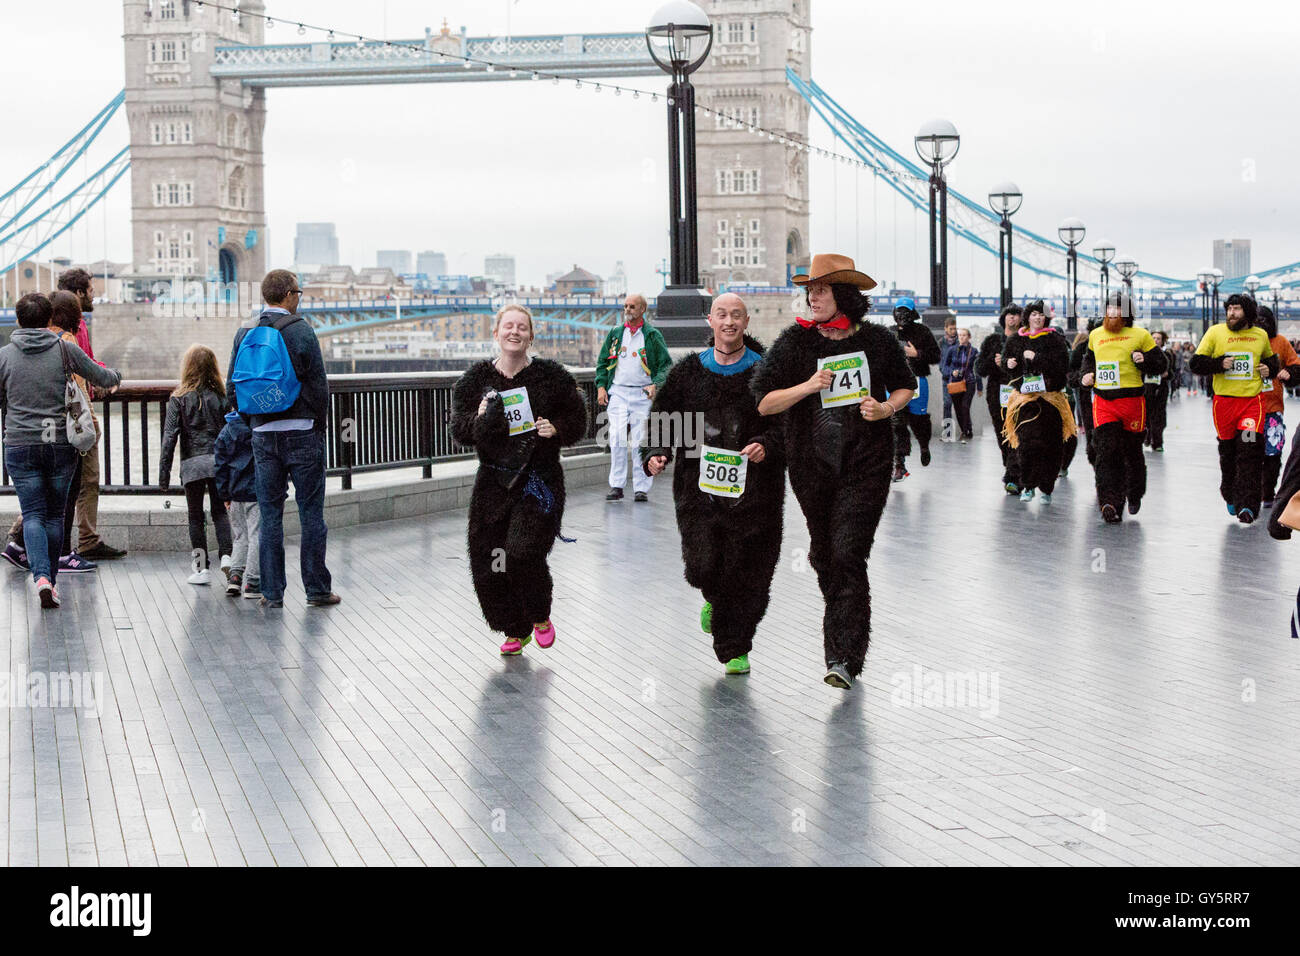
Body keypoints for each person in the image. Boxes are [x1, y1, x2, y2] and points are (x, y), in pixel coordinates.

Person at [752, 253, 915, 689]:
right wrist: (807, 385)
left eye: (821, 289)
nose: (813, 297)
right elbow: (765, 402)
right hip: (811, 465)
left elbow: (906, 386)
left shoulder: (878, 341)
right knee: (826, 554)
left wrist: (885, 408)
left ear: (843, 294)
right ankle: (843, 628)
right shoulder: (795, 343)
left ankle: (843, 655)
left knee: (847, 552)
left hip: (868, 462)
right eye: (810, 290)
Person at [641, 293, 785, 676]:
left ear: (746, 321)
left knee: (745, 570)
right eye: (722, 315)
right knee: (703, 565)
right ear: (710, 321)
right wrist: (657, 451)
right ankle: (712, 596)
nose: (729, 322)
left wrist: (767, 445)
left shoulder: (766, 371)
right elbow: (664, 417)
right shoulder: (688, 371)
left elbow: (786, 423)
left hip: (754, 493)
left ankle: (734, 646)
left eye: (736, 315)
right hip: (697, 488)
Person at [451, 304, 588, 656]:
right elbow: (459, 430)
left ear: (530, 335)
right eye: (507, 326)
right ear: (495, 333)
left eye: (521, 327)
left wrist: (557, 427)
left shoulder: (552, 377)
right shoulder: (474, 382)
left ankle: (540, 615)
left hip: (538, 482)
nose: (514, 332)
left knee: (523, 551)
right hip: (493, 483)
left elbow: (578, 419)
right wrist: (479, 418)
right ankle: (515, 627)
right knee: (489, 560)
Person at [227, 269, 340, 608]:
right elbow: (319, 387)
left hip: (263, 437)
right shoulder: (301, 330)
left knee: (270, 514)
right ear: (290, 295)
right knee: (310, 515)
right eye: (298, 294)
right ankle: (317, 590)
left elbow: (233, 387)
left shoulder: (245, 332)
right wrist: (316, 426)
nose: (299, 299)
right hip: (302, 433)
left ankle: (271, 592)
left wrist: (255, 421)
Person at [0, 293, 120, 608]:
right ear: (48, 318)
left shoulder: (4, 356)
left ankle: (41, 577)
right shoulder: (64, 350)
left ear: (18, 319)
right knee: (55, 514)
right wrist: (117, 377)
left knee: (33, 513)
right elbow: (101, 376)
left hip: (19, 445)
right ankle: (50, 581)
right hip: (59, 445)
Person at [1188, 293, 1279, 524]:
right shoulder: (1215, 332)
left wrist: (1269, 369)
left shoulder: (1259, 335)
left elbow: (1271, 361)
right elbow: (1196, 363)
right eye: (1229, 309)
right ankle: (1229, 492)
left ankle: (1248, 506)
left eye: (1237, 309)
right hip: (1224, 404)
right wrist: (1218, 364)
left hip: (1251, 404)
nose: (1231, 313)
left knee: (1249, 451)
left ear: (1247, 312)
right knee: (1228, 453)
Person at [1079, 293, 1166, 523]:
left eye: (1118, 309)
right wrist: (1086, 375)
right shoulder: (1096, 335)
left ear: (1127, 313)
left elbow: (1160, 364)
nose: (1113, 313)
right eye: (1110, 309)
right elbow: (1088, 361)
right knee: (1106, 452)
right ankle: (1109, 502)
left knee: (1131, 452)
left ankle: (1134, 493)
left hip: (1132, 401)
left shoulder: (1141, 335)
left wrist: (1144, 361)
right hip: (1104, 402)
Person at [60, 267, 126, 560]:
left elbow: (87, 363)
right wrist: (110, 377)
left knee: (84, 480)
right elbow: (80, 367)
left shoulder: (79, 325)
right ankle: (21, 535)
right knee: (68, 481)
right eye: (90, 289)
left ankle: (87, 538)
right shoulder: (68, 329)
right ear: (77, 293)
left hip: (80, 414)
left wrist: (97, 376)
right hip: (78, 417)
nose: (94, 294)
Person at [161, 344, 233, 585]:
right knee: (220, 512)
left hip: (192, 464)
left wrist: (164, 476)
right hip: (218, 463)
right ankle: (227, 557)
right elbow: (230, 434)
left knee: (195, 517)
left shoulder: (178, 399)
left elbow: (170, 438)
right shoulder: (223, 398)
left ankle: (201, 569)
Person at [594, 293, 671, 502]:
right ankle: (616, 485)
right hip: (618, 391)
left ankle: (641, 487)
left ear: (642, 309)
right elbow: (602, 363)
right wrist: (601, 387)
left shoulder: (652, 336)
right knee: (617, 436)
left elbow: (665, 365)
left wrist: (657, 384)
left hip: (642, 394)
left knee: (639, 440)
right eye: (626, 306)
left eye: (632, 306)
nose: (628, 309)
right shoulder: (615, 334)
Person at [1001, 299, 1075, 504]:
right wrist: (1009, 363)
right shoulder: (1016, 339)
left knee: (1052, 444)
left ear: (1047, 318)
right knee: (1027, 442)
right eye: (1034, 314)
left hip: (1050, 398)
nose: (1038, 318)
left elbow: (1062, 366)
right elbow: (1007, 365)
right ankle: (1027, 484)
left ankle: (1047, 488)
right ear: (1028, 317)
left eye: (1041, 315)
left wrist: (1037, 357)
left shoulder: (1055, 339)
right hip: (1025, 399)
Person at [890, 296, 941, 480]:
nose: (902, 314)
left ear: (913, 313)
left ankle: (924, 446)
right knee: (897, 423)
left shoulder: (923, 331)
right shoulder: (889, 333)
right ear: (894, 313)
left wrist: (917, 353)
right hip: (895, 383)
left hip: (918, 381)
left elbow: (936, 356)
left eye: (906, 310)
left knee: (919, 420)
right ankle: (899, 463)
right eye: (899, 310)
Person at [976, 304, 1023, 494]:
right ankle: (1011, 467)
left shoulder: (1025, 340)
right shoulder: (992, 341)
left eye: (1016, 315)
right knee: (1002, 433)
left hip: (1020, 392)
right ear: (1003, 318)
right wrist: (994, 363)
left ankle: (1013, 476)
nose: (1012, 318)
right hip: (997, 393)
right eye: (1009, 315)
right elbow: (979, 369)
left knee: (1017, 432)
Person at [1256, 306, 1300, 506]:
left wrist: (1290, 374)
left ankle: (1267, 493)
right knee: (1248, 451)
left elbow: (1295, 365)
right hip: (1249, 409)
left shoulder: (1281, 342)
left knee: (1273, 451)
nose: (1261, 323)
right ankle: (1249, 494)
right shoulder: (1246, 341)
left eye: (1265, 320)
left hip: (1273, 409)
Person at [214, 407, 260, 598]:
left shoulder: (226, 431)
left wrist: (224, 495)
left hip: (235, 493)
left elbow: (220, 466)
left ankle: (234, 578)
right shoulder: (258, 428)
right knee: (256, 534)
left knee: (240, 536)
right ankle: (253, 581)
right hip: (256, 491)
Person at [939, 326, 979, 441]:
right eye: (960, 335)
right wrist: (952, 372)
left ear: (969, 337)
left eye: (964, 335)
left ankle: (968, 430)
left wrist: (979, 386)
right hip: (955, 383)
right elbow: (944, 365)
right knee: (957, 408)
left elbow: (977, 368)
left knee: (965, 406)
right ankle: (964, 430)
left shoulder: (974, 351)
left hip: (969, 382)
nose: (961, 337)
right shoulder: (952, 350)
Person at [1143, 330, 1175, 452]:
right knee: (1146, 414)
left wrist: (1167, 374)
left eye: (1158, 339)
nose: (1156, 340)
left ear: (1162, 341)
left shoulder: (1167, 354)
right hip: (1147, 388)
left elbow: (1172, 372)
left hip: (1161, 389)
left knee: (1159, 416)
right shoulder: (1144, 353)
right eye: (1154, 338)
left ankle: (1158, 442)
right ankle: (1147, 436)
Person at [938, 316, 959, 435]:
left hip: (960, 378)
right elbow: (941, 362)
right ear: (945, 329)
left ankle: (966, 429)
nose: (953, 331)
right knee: (947, 404)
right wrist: (948, 372)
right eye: (951, 329)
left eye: (955, 329)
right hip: (947, 379)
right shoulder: (941, 343)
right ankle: (947, 432)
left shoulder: (960, 341)